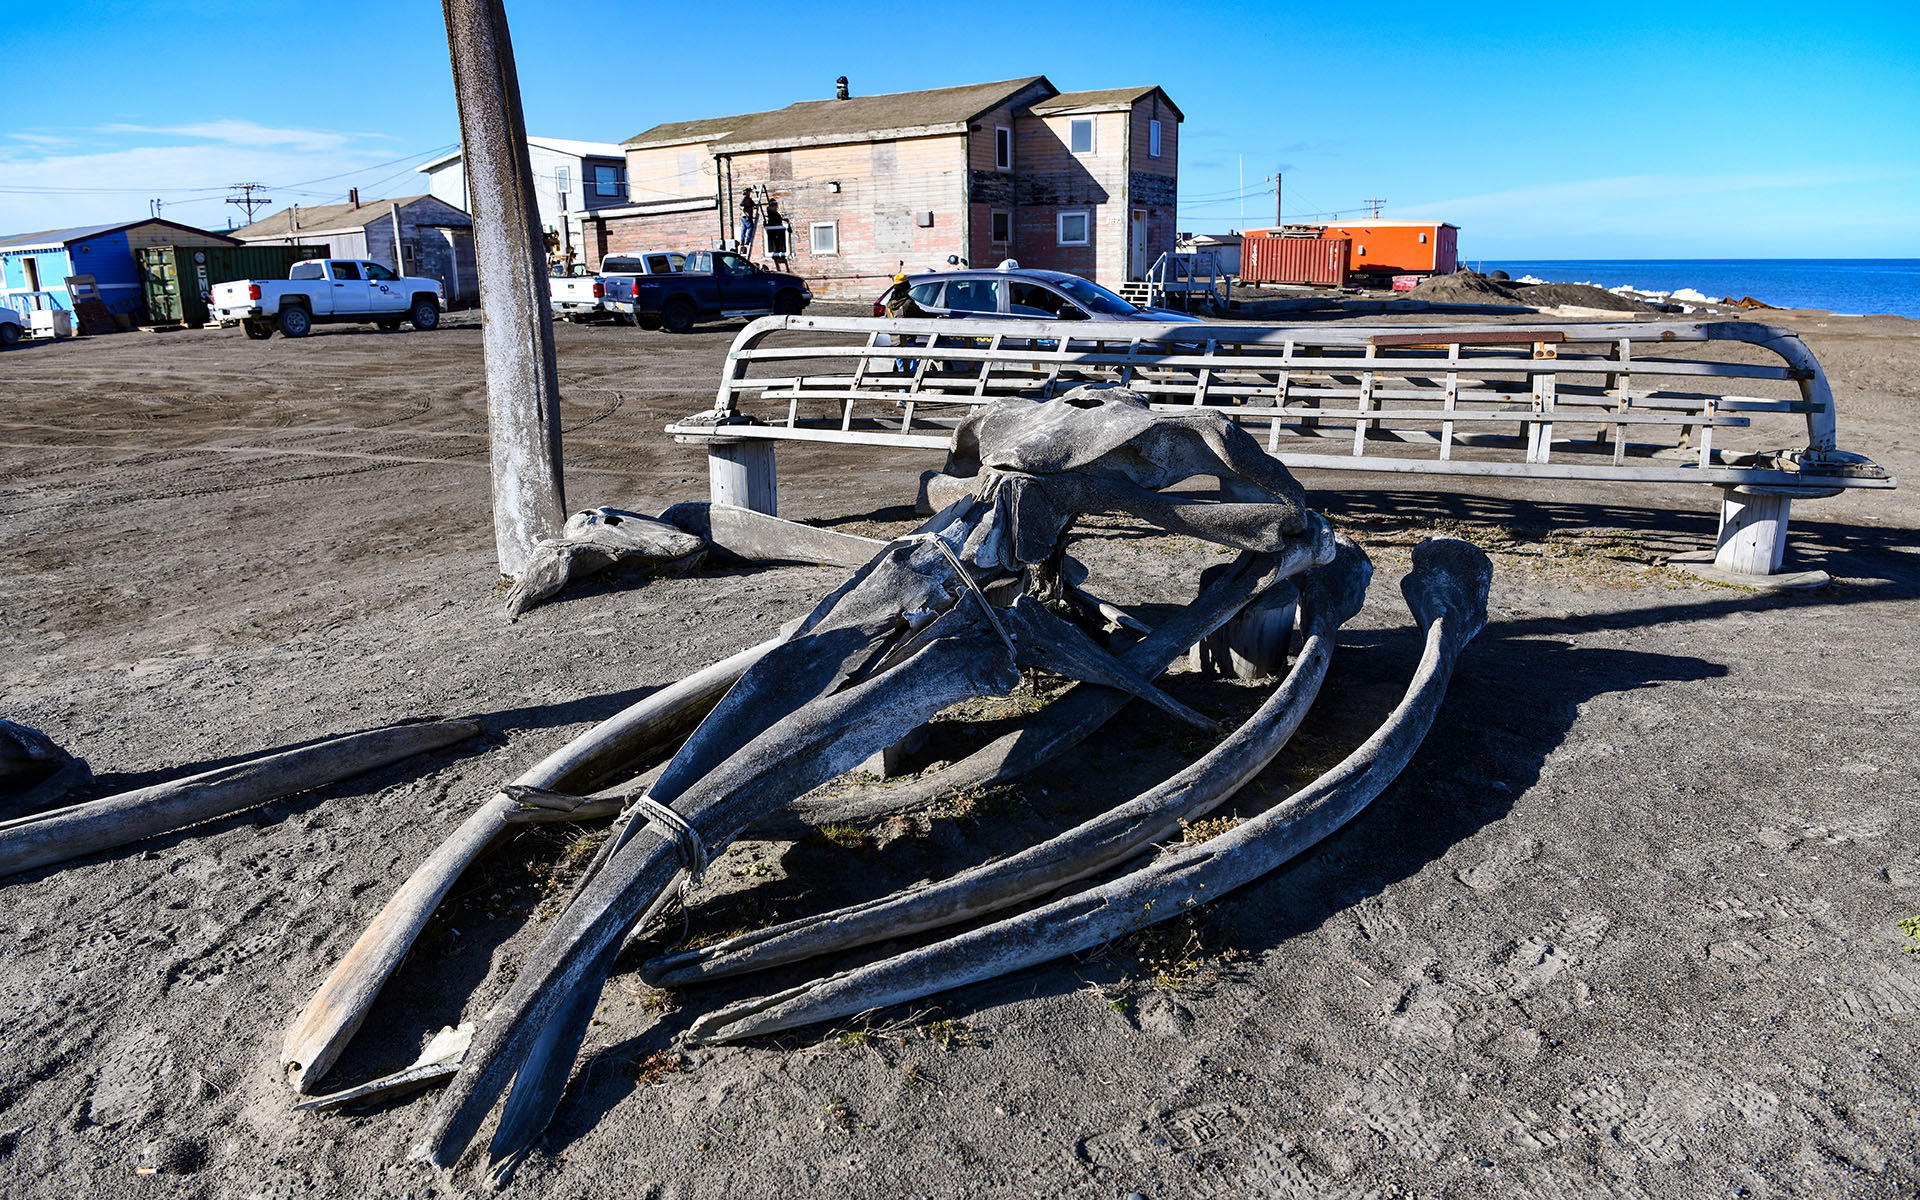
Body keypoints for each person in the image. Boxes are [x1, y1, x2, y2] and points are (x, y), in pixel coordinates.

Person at [881, 273, 925, 376]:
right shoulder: (908, 303)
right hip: (908, 340)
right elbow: (922, 315)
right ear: (906, 288)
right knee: (911, 370)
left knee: (901, 369)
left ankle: (903, 391)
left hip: (895, 342)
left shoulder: (889, 305)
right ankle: (909, 391)